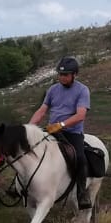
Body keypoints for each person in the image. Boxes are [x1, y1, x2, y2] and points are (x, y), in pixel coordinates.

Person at [29, 55, 93, 208]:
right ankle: (21, 187)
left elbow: (80, 115)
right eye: (60, 74)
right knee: (29, 151)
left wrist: (61, 125)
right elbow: (42, 111)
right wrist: (29, 127)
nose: (62, 77)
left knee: (80, 158)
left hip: (72, 132)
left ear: (74, 74)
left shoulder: (82, 90)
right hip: (51, 130)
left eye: (65, 74)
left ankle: (82, 194)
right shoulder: (52, 89)